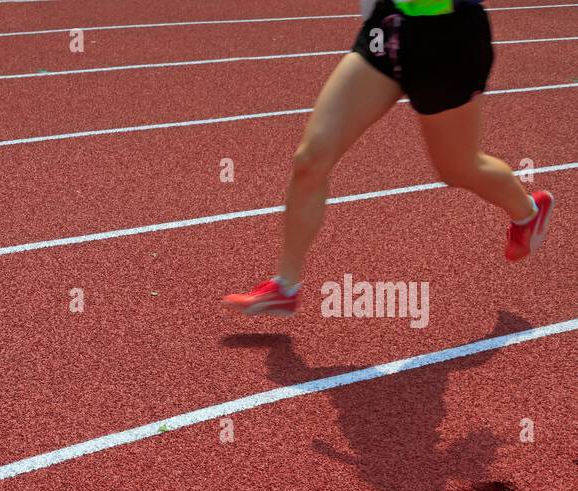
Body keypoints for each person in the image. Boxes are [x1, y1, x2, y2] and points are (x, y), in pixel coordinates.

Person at [223, 0, 554, 316]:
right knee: (311, 158)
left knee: (458, 168)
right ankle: (285, 287)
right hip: (387, 28)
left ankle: (527, 213)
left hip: (448, 36)